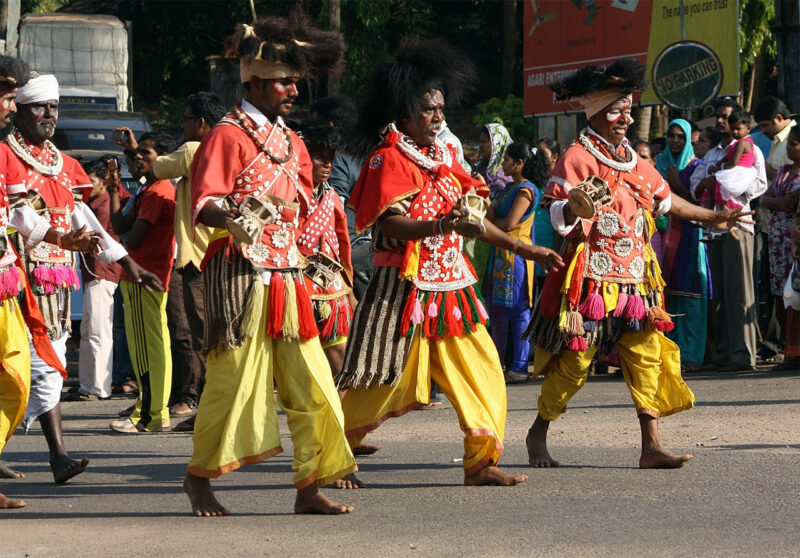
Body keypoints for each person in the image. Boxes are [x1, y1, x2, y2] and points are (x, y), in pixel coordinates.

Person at [335, 39, 563, 489]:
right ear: (403, 115)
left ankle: (481, 462)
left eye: (441, 108)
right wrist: (440, 227)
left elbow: (472, 221)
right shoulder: (388, 158)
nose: (438, 116)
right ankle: (332, 451)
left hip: (455, 286)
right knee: (379, 377)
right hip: (403, 288)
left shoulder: (445, 159)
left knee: (484, 371)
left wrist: (525, 249)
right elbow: (392, 224)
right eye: (428, 110)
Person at [524, 59, 753, 470]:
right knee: (576, 364)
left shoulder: (634, 160)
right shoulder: (576, 157)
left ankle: (651, 445)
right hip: (590, 283)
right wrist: (574, 206)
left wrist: (714, 216)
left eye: (628, 109)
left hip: (635, 282)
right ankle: (538, 430)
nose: (624, 118)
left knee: (646, 355)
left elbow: (668, 200)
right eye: (616, 110)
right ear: (594, 112)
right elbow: (557, 214)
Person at [184, 14, 356, 517]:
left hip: (289, 277)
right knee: (231, 381)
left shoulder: (293, 140)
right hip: (239, 273)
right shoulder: (227, 135)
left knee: (315, 382)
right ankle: (198, 478)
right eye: (285, 81)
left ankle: (309, 485)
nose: (294, 90)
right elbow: (204, 201)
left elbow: (305, 207)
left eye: (297, 82)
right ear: (255, 81)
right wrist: (232, 218)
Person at [2, 73, 160, 483]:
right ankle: (55, 454)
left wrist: (128, 264)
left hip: (55, 281)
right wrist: (57, 236)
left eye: (54, 108)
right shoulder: (5, 156)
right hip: (13, 279)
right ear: (18, 111)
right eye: (40, 107)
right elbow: (18, 217)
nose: (49, 115)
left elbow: (86, 220)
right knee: (26, 367)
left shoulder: (64, 165)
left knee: (47, 366)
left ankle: (56, 455)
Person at [108, 131, 177, 433]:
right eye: (134, 154)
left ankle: (147, 414)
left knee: (146, 350)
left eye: (144, 154)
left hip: (142, 276)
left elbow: (130, 237)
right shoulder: (151, 188)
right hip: (148, 276)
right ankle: (153, 411)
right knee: (152, 346)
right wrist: (113, 191)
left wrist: (117, 241)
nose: (136, 158)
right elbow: (120, 225)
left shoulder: (156, 192)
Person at [692, 99, 766, 372]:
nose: (724, 122)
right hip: (713, 227)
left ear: (743, 125)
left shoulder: (752, 149)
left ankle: (743, 354)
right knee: (719, 293)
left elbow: (758, 182)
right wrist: (710, 182)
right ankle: (723, 354)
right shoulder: (712, 153)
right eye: (721, 118)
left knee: (740, 292)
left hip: (738, 224)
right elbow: (696, 183)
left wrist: (728, 185)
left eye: (729, 118)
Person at [295, 122, 356, 385]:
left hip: (332, 286)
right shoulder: (292, 194)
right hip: (297, 282)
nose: (327, 165)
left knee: (339, 355)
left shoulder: (331, 197)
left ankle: (344, 419)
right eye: (321, 158)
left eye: (330, 159)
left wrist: (349, 288)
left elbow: (343, 243)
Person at [77, 156, 131, 400]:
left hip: (103, 271)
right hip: (95, 271)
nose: (85, 187)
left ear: (103, 181)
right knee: (91, 328)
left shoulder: (106, 203)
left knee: (98, 329)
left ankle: (97, 386)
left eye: (90, 181)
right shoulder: (96, 202)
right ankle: (89, 385)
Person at [657, 121, 709, 370]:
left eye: (680, 136)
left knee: (691, 295)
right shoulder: (660, 164)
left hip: (691, 236)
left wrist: (676, 183)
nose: (675, 140)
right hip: (663, 237)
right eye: (671, 135)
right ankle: (669, 353)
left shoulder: (696, 166)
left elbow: (697, 203)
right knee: (668, 294)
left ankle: (691, 354)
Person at [485, 142, 539, 383]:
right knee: (497, 311)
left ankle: (518, 366)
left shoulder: (526, 190)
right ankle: (498, 363)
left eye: (507, 159)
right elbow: (493, 216)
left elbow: (508, 224)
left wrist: (487, 227)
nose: (503, 164)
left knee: (518, 310)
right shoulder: (509, 188)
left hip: (516, 256)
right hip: (500, 254)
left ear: (520, 163)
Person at [761, 125, 800, 370]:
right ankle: (790, 350)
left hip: (795, 240)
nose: (789, 148)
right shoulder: (784, 172)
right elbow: (764, 199)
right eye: (789, 143)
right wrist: (780, 202)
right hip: (778, 243)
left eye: (794, 144)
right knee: (783, 295)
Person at [702, 110, 757, 210]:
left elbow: (733, 162)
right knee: (712, 188)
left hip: (737, 172)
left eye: (738, 129)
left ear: (748, 128)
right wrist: (717, 165)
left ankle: (727, 208)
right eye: (732, 129)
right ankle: (709, 212)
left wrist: (719, 168)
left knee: (717, 185)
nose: (735, 132)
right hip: (733, 171)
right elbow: (727, 157)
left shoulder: (743, 143)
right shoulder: (737, 143)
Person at [533, 138, 561, 294]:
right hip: (531, 256)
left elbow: (560, 227)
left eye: (542, 153)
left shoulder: (558, 185)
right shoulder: (536, 180)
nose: (538, 157)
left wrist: (553, 259)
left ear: (554, 157)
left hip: (548, 257)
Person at [754, 95, 797, 181]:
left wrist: (762, 166)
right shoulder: (777, 136)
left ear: (779, 118)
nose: (763, 131)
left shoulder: (796, 138)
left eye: (765, 125)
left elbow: (792, 180)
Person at [474, 123, 513, 197]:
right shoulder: (481, 167)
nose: (480, 146)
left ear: (496, 143)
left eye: (484, 142)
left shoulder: (504, 172)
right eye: (480, 142)